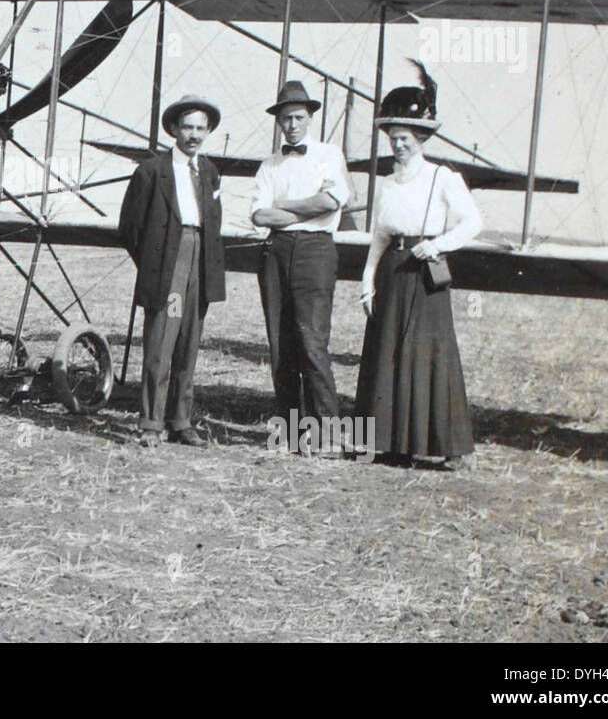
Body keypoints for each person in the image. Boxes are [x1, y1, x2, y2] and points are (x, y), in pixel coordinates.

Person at [356, 61, 482, 468]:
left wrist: (439, 244)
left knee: (430, 354)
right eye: (394, 138)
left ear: (421, 138)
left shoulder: (442, 177)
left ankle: (450, 449)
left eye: (406, 138)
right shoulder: (387, 184)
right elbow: (378, 237)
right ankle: (392, 445)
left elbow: (473, 222)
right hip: (392, 271)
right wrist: (366, 280)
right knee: (387, 354)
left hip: (426, 273)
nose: (399, 145)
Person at [118, 95, 226, 448]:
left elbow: (215, 219)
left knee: (189, 342)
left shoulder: (208, 172)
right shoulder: (152, 171)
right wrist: (156, 262)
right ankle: (151, 423)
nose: (194, 134)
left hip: (199, 259)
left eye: (200, 128)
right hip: (170, 264)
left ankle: (181, 420)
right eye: (188, 127)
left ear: (207, 132)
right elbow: (130, 227)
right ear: (175, 130)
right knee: (163, 342)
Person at [250, 80, 352, 454]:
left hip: (315, 251)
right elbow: (259, 213)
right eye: (285, 118)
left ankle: (328, 434)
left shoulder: (328, 154)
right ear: (277, 121)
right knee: (281, 343)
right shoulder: (269, 164)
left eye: (298, 117)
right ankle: (289, 432)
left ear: (309, 119)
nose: (292, 124)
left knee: (312, 341)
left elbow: (332, 202)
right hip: (276, 251)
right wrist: (302, 208)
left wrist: (286, 209)